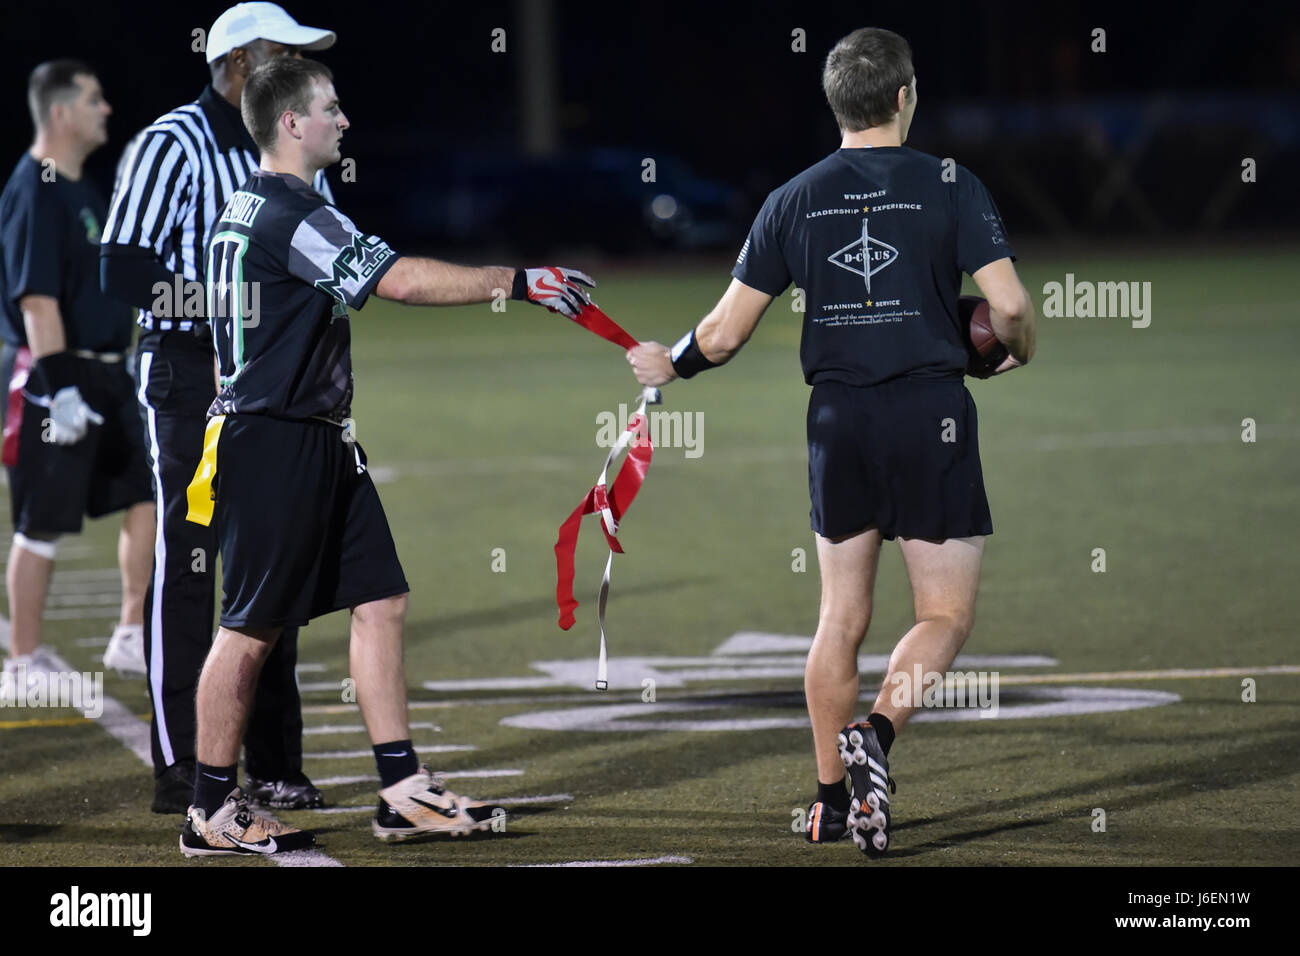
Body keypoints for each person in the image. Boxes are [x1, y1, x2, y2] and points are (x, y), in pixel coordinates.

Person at [626, 27, 1036, 857]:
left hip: (838, 421)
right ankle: (876, 736)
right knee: (944, 614)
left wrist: (666, 363)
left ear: (836, 102)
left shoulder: (793, 196)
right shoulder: (951, 183)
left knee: (840, 618)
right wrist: (1020, 349)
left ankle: (826, 802)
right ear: (903, 96)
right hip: (933, 414)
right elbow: (1012, 309)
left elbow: (725, 331)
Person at [179, 55, 596, 856]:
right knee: (251, 628)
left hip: (316, 435)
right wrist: (521, 280)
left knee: (381, 599)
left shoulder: (254, 201)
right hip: (276, 440)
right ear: (291, 123)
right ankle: (209, 809)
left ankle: (402, 791)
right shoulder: (289, 211)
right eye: (330, 108)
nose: (344, 120)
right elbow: (398, 281)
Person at [100, 2, 335, 814]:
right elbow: (124, 268)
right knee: (191, 563)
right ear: (239, 67)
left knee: (274, 560)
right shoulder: (172, 142)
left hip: (273, 376)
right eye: (284, 57)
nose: (299, 72)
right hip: (191, 372)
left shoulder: (296, 145)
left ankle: (275, 761)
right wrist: (230, 303)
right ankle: (181, 766)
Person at [0, 60, 154, 695]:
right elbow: (36, 299)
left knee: (148, 495)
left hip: (111, 373)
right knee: (42, 521)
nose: (107, 110)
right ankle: (23, 660)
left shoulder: (85, 190)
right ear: (60, 112)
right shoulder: (35, 188)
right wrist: (58, 388)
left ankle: (131, 633)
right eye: (94, 99)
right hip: (51, 375)